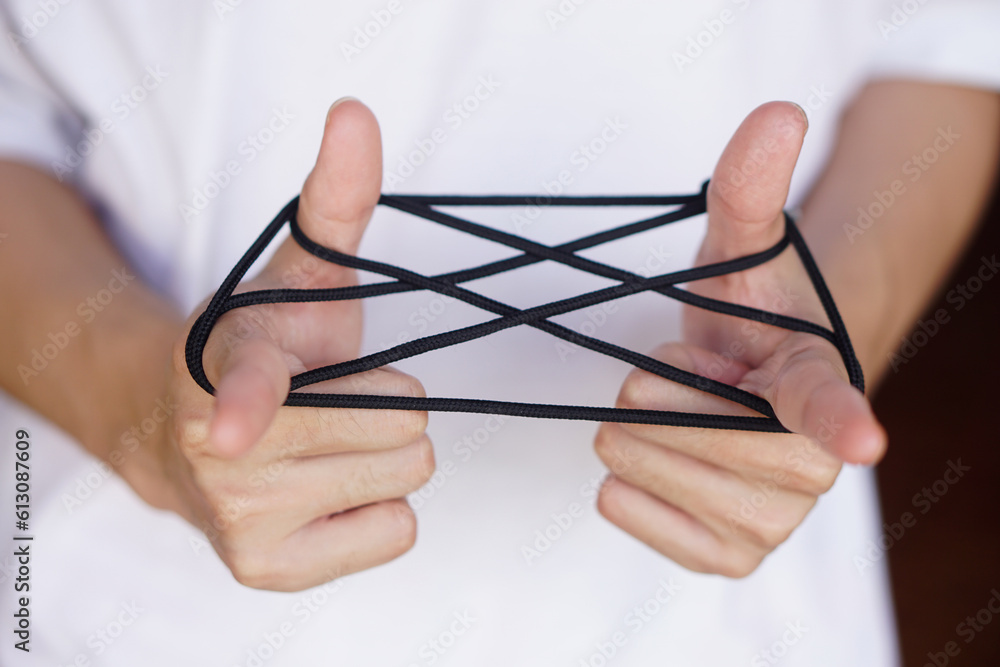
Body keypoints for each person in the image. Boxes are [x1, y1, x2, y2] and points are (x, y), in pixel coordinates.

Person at [0, 1, 997, 665]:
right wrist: (146, 412)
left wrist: (824, 329)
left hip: (732, 622)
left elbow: (944, 51)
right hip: (142, 612)